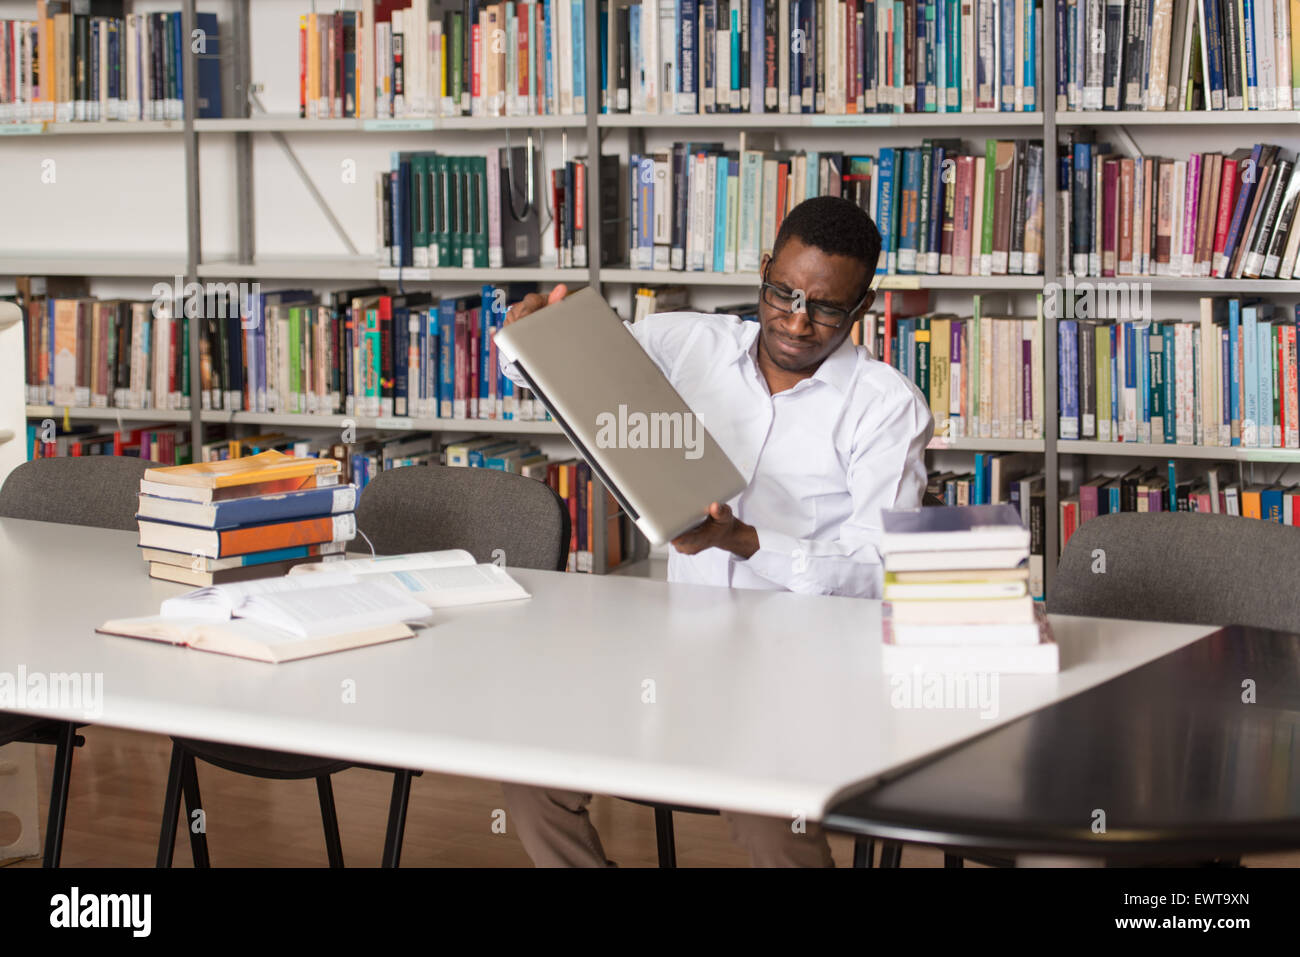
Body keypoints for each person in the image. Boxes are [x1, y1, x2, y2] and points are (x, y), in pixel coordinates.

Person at [497, 195, 934, 867]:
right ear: (764, 268)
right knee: (532, 771)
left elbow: (878, 569)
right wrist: (532, 335)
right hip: (681, 653)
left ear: (862, 308)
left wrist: (744, 540)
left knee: (765, 818)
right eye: (781, 292)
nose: (795, 319)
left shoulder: (886, 407)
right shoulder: (683, 344)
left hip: (806, 669)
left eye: (824, 308)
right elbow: (571, 374)